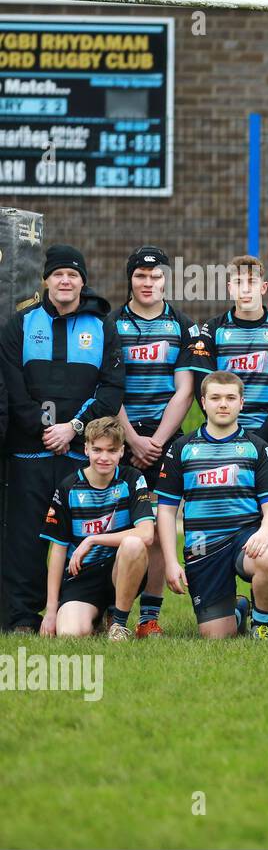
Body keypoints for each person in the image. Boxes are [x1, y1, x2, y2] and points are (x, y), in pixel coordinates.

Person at [1, 244, 124, 635]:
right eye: (58, 274)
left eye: (73, 274)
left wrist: (72, 428)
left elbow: (111, 389)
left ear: (83, 282)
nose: (65, 280)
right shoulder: (20, 324)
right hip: (29, 452)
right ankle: (22, 617)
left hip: (80, 452)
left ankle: (90, 608)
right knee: (24, 536)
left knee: (81, 533)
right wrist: (43, 428)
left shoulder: (102, 327)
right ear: (46, 280)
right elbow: (12, 386)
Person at [155, 372, 268, 640]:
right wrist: (170, 562)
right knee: (216, 636)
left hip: (244, 539)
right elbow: (166, 510)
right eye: (215, 398)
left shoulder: (257, 448)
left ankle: (262, 625)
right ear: (203, 402)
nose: (223, 404)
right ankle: (238, 610)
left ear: (241, 402)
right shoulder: (182, 448)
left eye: (230, 398)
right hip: (203, 546)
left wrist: (263, 534)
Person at [110, 245, 197, 637]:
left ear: (166, 280)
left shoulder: (181, 325)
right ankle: (111, 611)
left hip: (164, 439)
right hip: (119, 435)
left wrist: (156, 442)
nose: (149, 283)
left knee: (161, 527)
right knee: (119, 523)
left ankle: (149, 618)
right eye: (141, 276)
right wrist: (132, 439)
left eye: (157, 276)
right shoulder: (111, 324)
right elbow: (110, 387)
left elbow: (185, 391)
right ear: (130, 279)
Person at [39, 417, 153, 640]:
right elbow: (58, 549)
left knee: (133, 544)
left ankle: (118, 624)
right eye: (97, 449)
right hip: (82, 575)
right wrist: (51, 610)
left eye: (111, 450)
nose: (104, 457)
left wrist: (92, 540)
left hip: (117, 570)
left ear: (121, 451)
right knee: (70, 634)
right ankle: (96, 615)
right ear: (86, 449)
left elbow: (147, 534)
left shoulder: (132, 479)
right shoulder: (68, 487)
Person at [187, 255, 268, 452]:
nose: (245, 289)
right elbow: (202, 386)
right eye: (239, 282)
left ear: (263, 287)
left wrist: (262, 435)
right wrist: (223, 426)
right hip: (220, 432)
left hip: (266, 435)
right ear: (230, 288)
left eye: (252, 282)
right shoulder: (213, 329)